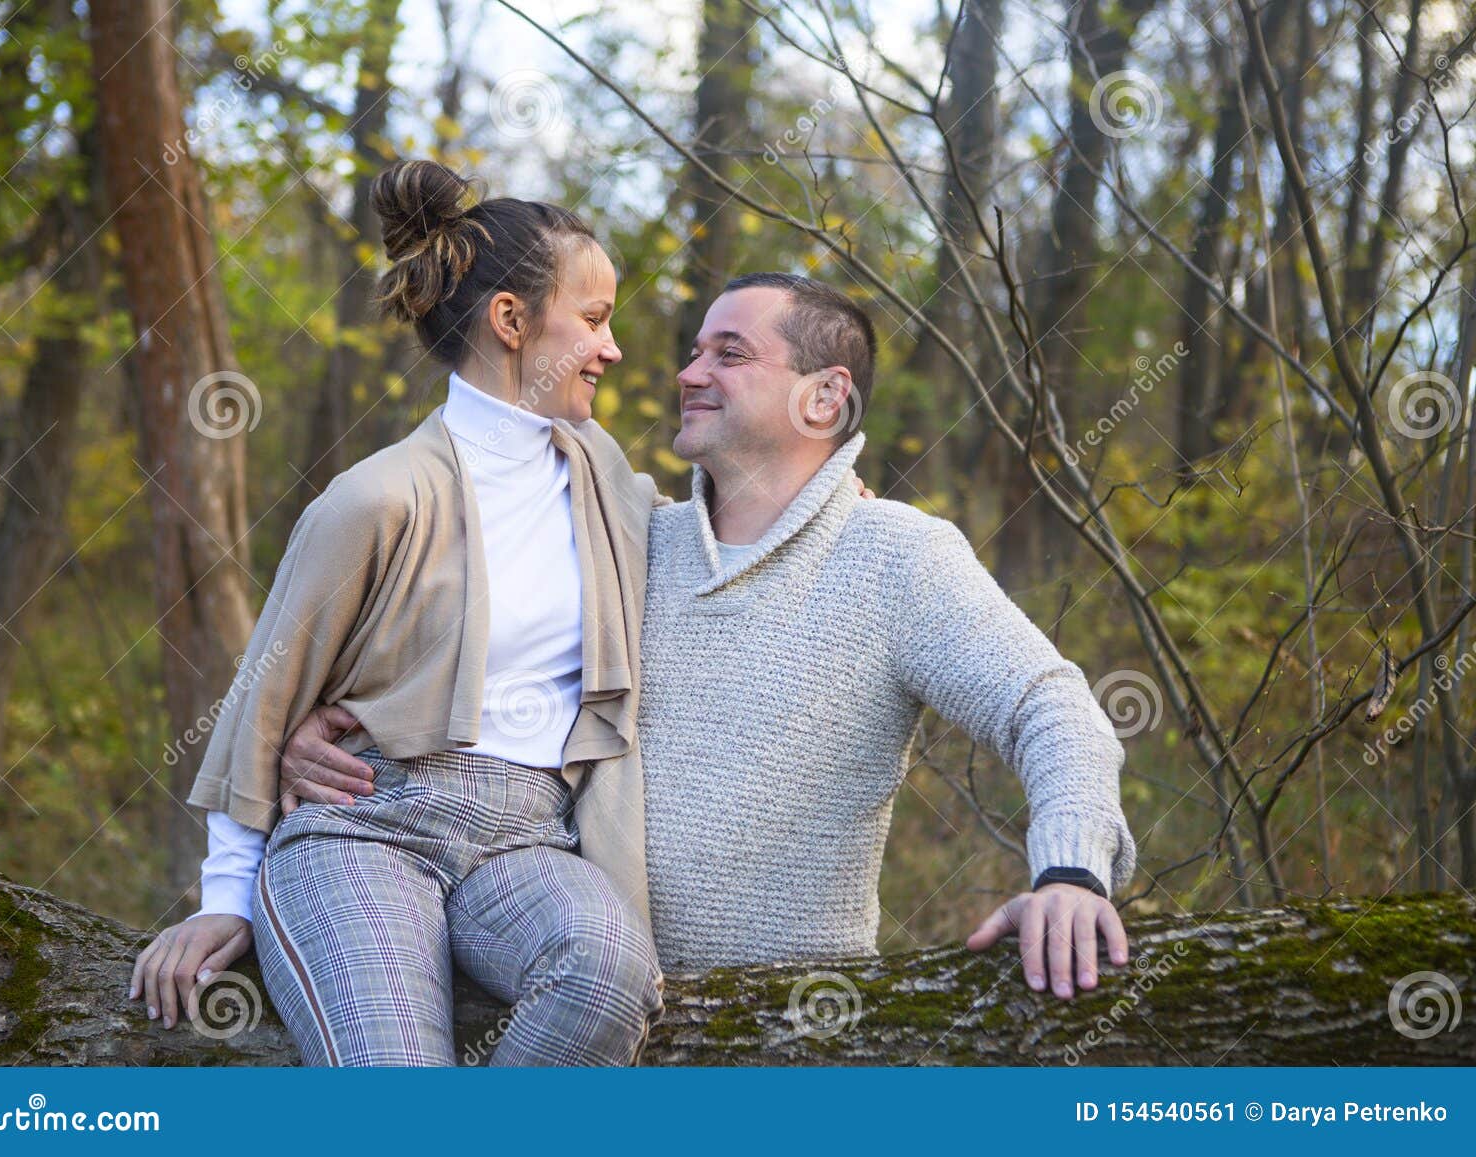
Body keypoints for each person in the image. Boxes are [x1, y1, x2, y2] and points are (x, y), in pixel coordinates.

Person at [282, 272, 1137, 1003]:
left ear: (824, 396)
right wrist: (326, 725)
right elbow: (456, 635)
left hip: (786, 1025)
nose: (689, 373)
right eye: (694, 351)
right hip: (559, 984)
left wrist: (1069, 872)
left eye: (730, 354)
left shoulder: (897, 555)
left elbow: (1049, 706)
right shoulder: (628, 538)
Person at [127, 159, 664, 1065]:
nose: (612, 350)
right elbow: (268, 694)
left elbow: (721, 534)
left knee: (608, 972)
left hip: (529, 841)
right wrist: (225, 893)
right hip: (365, 828)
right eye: (595, 320)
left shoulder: (607, 481)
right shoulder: (376, 497)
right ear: (510, 321)